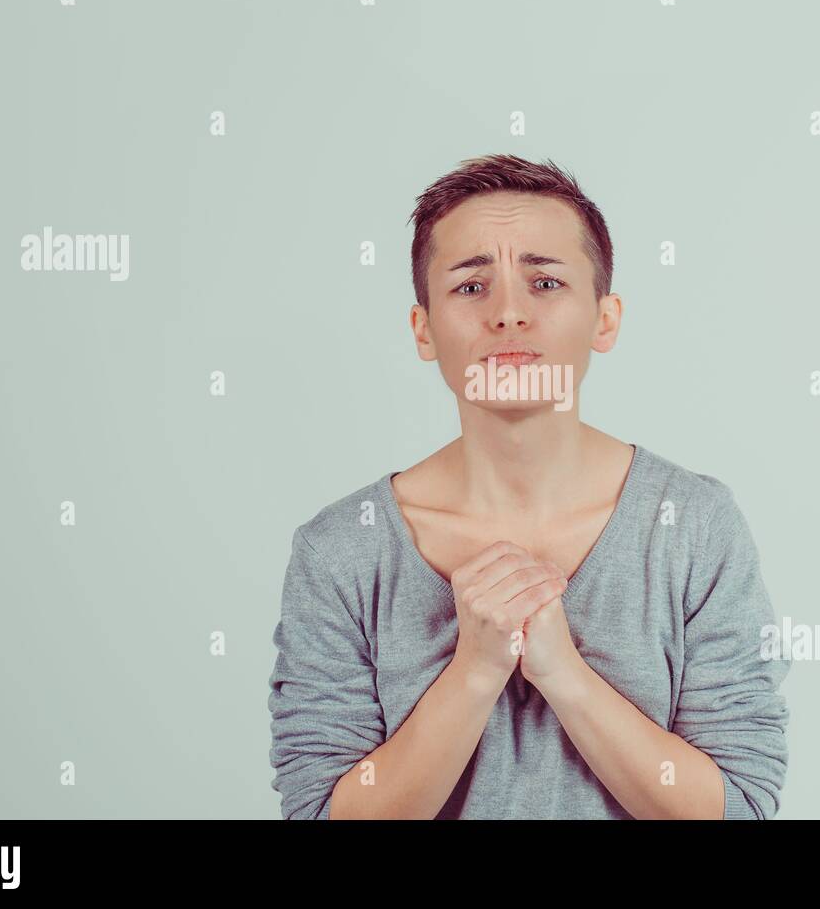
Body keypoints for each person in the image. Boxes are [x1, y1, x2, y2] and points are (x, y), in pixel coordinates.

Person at [267, 154, 790, 819]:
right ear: (423, 330)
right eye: (470, 287)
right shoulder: (339, 550)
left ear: (605, 319)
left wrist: (562, 672)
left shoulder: (695, 524)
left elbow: (739, 808)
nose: (509, 313)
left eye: (544, 282)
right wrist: (477, 669)